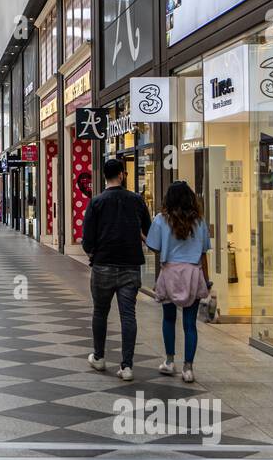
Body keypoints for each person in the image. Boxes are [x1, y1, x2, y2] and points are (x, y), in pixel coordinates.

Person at [82, 158, 152, 381]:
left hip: (102, 265)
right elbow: (148, 231)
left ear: (104, 176)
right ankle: (127, 366)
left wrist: (93, 252)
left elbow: (86, 240)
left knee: (100, 312)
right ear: (122, 175)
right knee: (128, 316)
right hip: (130, 266)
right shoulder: (136, 200)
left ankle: (100, 358)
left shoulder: (96, 202)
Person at [148, 181, 211, 384]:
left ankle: (169, 361)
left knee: (168, 319)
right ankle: (188, 368)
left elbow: (154, 248)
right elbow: (203, 253)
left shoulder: (160, 219)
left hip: (170, 273)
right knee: (190, 323)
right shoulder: (199, 221)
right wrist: (207, 280)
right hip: (193, 272)